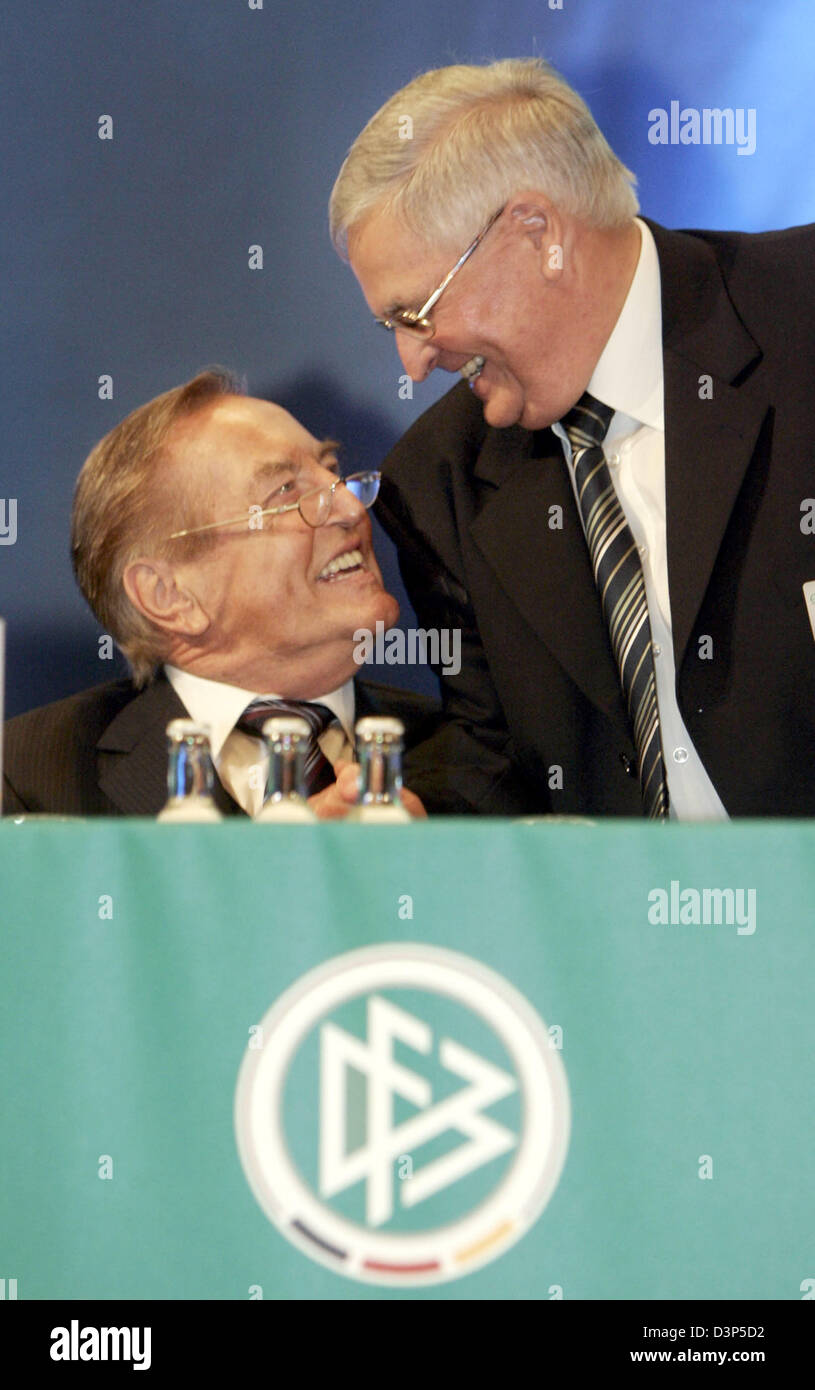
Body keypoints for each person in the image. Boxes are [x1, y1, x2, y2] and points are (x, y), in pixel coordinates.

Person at [329, 57, 815, 818]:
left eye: (415, 313)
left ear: (535, 233)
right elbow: (495, 763)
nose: (412, 361)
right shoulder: (438, 483)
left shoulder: (800, 310)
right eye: (389, 327)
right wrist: (415, 816)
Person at [2, 370, 432, 817]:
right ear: (170, 595)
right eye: (285, 491)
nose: (349, 507)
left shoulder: (462, 751)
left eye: (332, 471)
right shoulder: (28, 778)